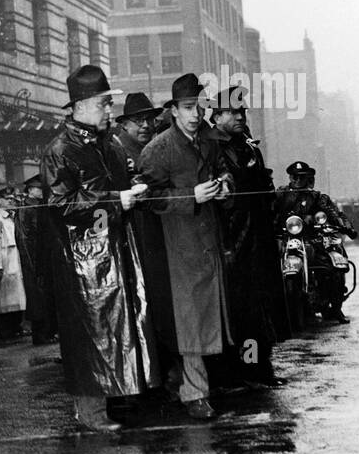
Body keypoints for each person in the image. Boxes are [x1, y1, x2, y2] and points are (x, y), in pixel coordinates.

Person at [42, 65, 158, 432]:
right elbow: (60, 204)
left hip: (115, 249)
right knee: (91, 333)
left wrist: (136, 185)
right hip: (84, 261)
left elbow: (121, 176)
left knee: (117, 326)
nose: (110, 111)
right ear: (79, 105)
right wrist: (114, 201)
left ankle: (115, 397)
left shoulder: (106, 144)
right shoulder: (60, 149)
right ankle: (90, 411)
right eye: (104, 104)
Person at [138, 74, 231, 421]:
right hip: (174, 247)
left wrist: (224, 186)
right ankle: (194, 393)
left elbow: (223, 170)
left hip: (207, 242)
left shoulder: (208, 142)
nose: (196, 114)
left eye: (200, 107)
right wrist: (189, 196)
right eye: (189, 108)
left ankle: (193, 384)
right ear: (174, 110)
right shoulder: (157, 150)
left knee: (205, 316)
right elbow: (147, 198)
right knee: (188, 319)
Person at [212, 84, 289, 388]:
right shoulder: (213, 148)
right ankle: (242, 372)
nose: (240, 116)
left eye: (242, 111)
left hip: (257, 239)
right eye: (233, 111)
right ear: (216, 116)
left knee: (259, 308)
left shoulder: (248, 147)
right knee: (238, 310)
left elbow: (264, 188)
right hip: (231, 241)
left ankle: (259, 368)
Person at [112, 92, 177, 376]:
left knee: (160, 305)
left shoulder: (156, 148)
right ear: (123, 124)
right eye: (138, 121)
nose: (145, 126)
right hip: (131, 240)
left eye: (150, 119)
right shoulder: (116, 152)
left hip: (158, 236)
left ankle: (159, 373)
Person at [274, 159, 358, 323]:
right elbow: (269, 211)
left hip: (312, 239)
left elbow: (334, 213)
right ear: (289, 178)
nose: (297, 180)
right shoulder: (280, 195)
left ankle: (335, 307)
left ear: (308, 178)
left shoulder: (316, 197)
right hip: (285, 239)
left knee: (333, 265)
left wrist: (346, 226)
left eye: (301, 177)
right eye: (294, 177)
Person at [13, 173, 58, 347]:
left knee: (45, 297)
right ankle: (41, 335)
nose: (42, 191)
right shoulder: (26, 209)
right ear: (30, 190)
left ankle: (48, 332)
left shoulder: (40, 206)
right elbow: (24, 238)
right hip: (34, 260)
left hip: (44, 258)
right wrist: (32, 264)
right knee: (37, 299)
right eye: (39, 188)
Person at [0, 194, 26, 341]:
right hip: (4, 262)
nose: (12, 202)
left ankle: (16, 327)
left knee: (16, 299)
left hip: (14, 262)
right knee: (5, 301)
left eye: (13, 199)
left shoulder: (13, 218)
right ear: (0, 201)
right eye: (8, 199)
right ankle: (6, 331)